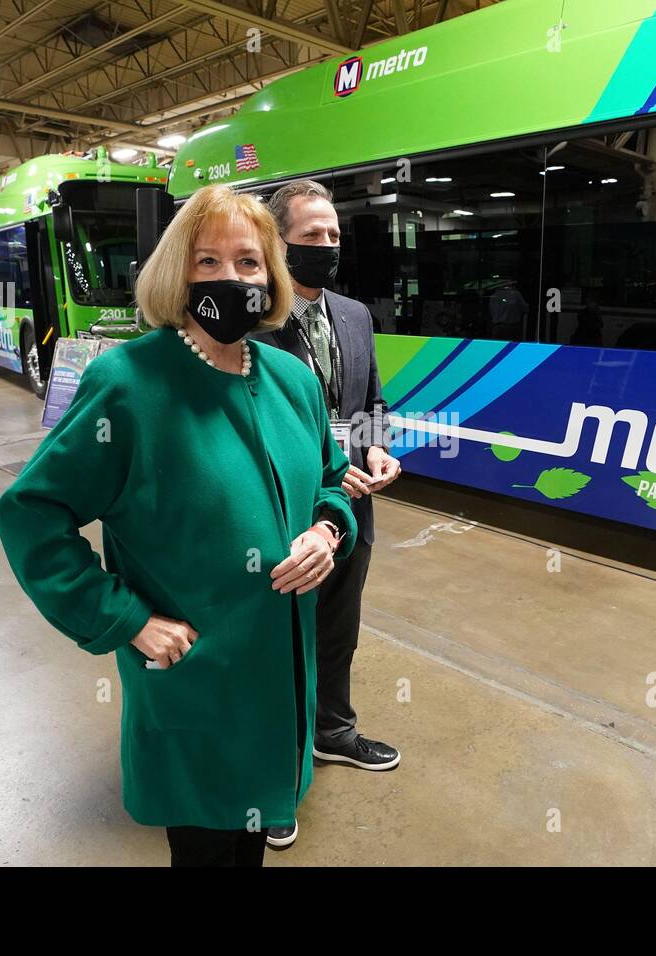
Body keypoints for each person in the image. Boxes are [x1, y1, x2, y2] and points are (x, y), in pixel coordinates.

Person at [0, 184, 357, 867]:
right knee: (208, 847)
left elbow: (332, 481)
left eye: (249, 262)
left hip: (280, 679)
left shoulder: (292, 380)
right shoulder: (129, 383)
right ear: (175, 272)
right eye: (208, 261)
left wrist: (326, 533)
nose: (232, 277)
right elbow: (32, 513)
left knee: (250, 839)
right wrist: (124, 618)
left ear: (271, 276)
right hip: (197, 680)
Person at [253, 179, 402, 849]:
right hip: (283, 514)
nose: (327, 245)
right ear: (279, 241)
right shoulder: (250, 317)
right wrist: (316, 465)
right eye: (311, 235)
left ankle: (333, 733)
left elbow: (371, 402)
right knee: (281, 642)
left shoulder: (355, 315)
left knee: (339, 627)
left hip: (354, 509)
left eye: (334, 234)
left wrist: (380, 453)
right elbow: (245, 423)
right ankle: (273, 775)